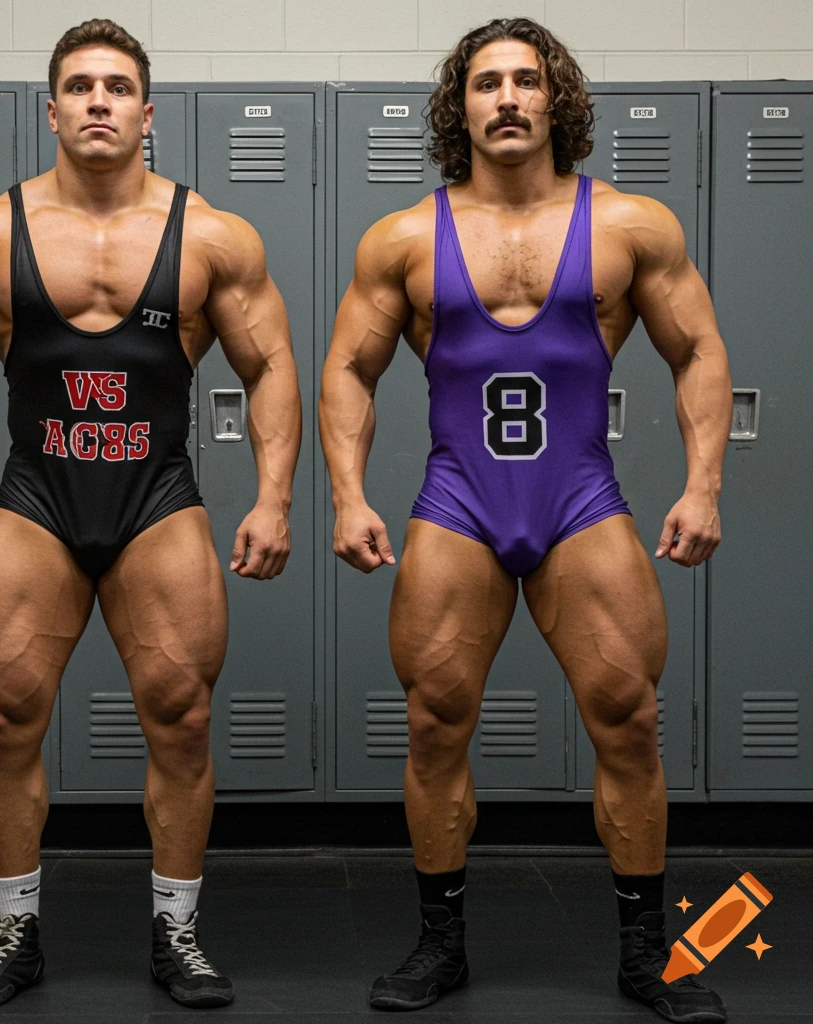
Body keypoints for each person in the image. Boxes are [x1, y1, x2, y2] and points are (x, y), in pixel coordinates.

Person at [319, 17, 731, 1022]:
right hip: (457, 501)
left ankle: (647, 957)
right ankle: (439, 944)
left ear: (558, 101)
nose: (506, 97)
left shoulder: (632, 226)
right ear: (457, 106)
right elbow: (346, 367)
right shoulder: (403, 237)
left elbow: (701, 351)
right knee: (432, 725)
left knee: (628, 722)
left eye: (525, 80)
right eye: (485, 82)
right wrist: (347, 495)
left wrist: (702, 485)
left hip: (580, 499)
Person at [0, 18, 301, 1011]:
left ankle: (177, 929)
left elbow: (273, 364)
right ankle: (13, 929)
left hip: (158, 494)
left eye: (117, 86)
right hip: (38, 494)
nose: (99, 101)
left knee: (184, 717)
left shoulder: (212, 235)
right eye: (80, 86)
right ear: (52, 109)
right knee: (4, 716)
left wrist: (275, 498)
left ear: (148, 112)